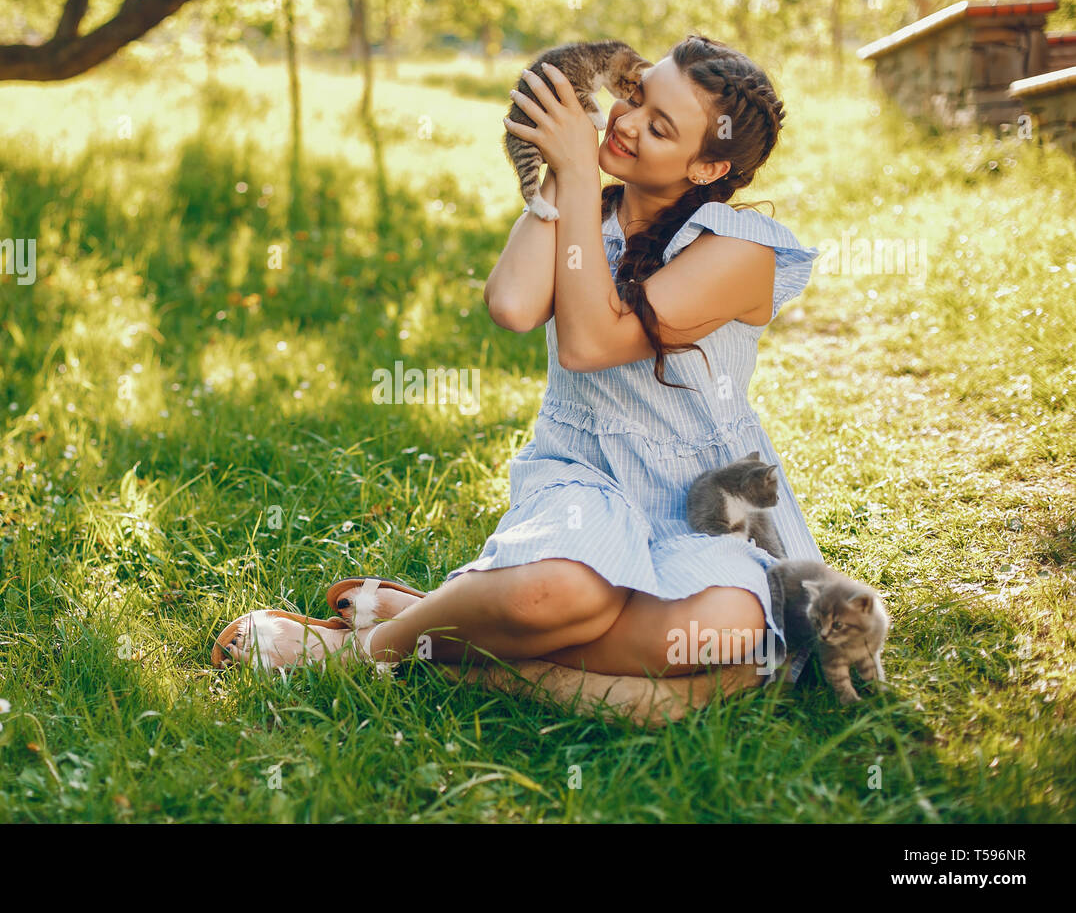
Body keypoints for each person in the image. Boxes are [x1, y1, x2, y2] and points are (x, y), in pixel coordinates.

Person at [213, 34, 824, 682]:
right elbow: (510, 305)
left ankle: (454, 641)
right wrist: (566, 173)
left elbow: (590, 343)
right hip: (586, 476)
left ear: (706, 168)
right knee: (555, 594)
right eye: (636, 98)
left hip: (710, 505)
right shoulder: (585, 211)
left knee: (719, 629)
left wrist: (583, 174)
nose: (627, 122)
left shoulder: (742, 248)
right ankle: (362, 653)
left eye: (661, 126)